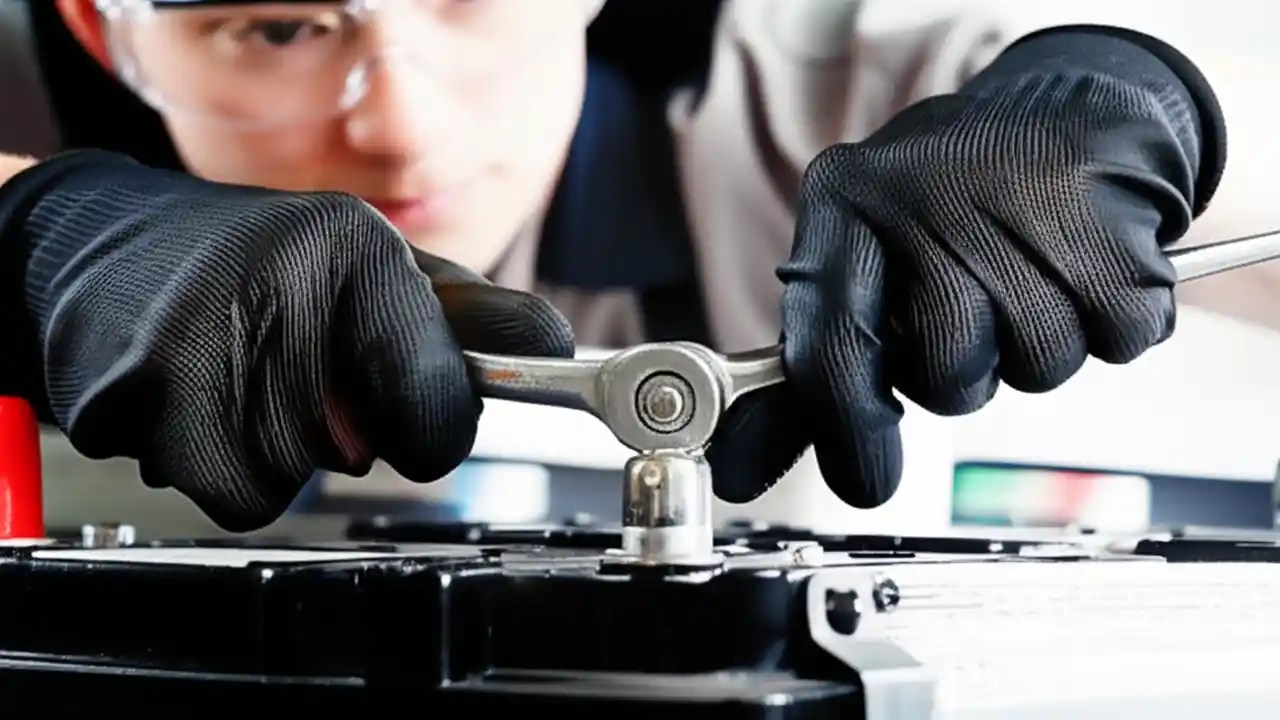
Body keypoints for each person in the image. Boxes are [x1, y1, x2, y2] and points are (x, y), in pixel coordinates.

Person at [0, 0, 1228, 531]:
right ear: (98, 28)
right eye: (274, 27)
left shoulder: (824, 84)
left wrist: (1138, 94)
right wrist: (32, 235)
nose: (399, 128)